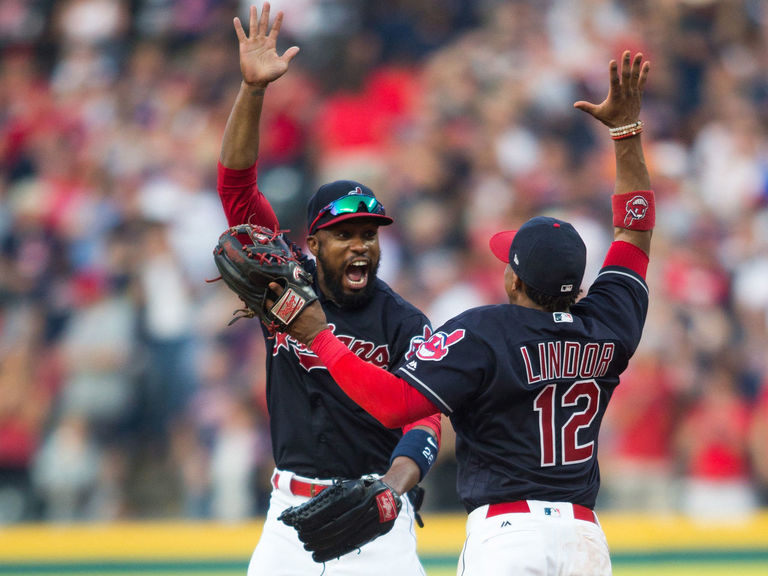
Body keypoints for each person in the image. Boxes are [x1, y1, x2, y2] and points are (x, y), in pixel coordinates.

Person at [284, 51, 654, 575]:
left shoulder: (482, 332)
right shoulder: (611, 323)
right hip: (584, 539)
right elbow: (635, 231)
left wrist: (319, 337)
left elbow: (394, 406)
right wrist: (628, 132)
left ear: (515, 279)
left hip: (507, 535)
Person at [216, 4, 440, 575]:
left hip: (375, 519)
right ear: (313, 244)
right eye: (344, 235)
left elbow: (426, 421)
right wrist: (252, 91)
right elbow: (237, 187)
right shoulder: (281, 282)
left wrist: (393, 487)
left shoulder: (404, 323)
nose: (361, 246)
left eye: (369, 234)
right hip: (288, 515)